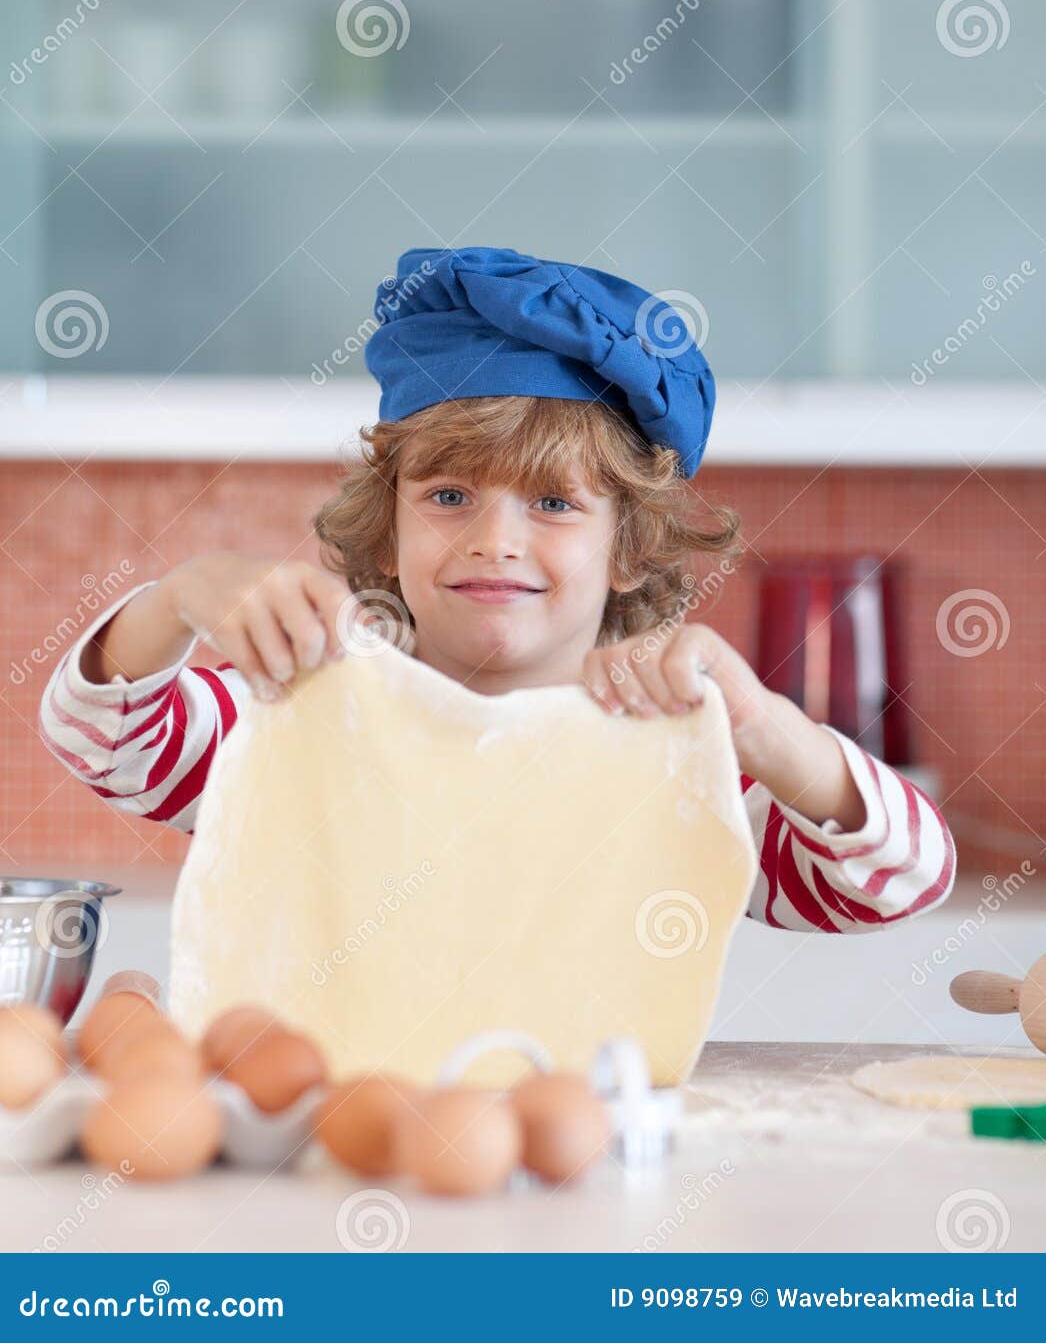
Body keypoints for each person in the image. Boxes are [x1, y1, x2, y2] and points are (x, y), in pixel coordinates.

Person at [39, 245, 955, 932]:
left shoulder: (676, 764)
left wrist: (756, 722)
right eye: (447, 496)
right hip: (336, 1151)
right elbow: (98, 733)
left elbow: (902, 881)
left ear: (628, 546)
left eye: (554, 503)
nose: (495, 542)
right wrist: (182, 593)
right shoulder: (297, 715)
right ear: (388, 531)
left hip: (592, 1169)